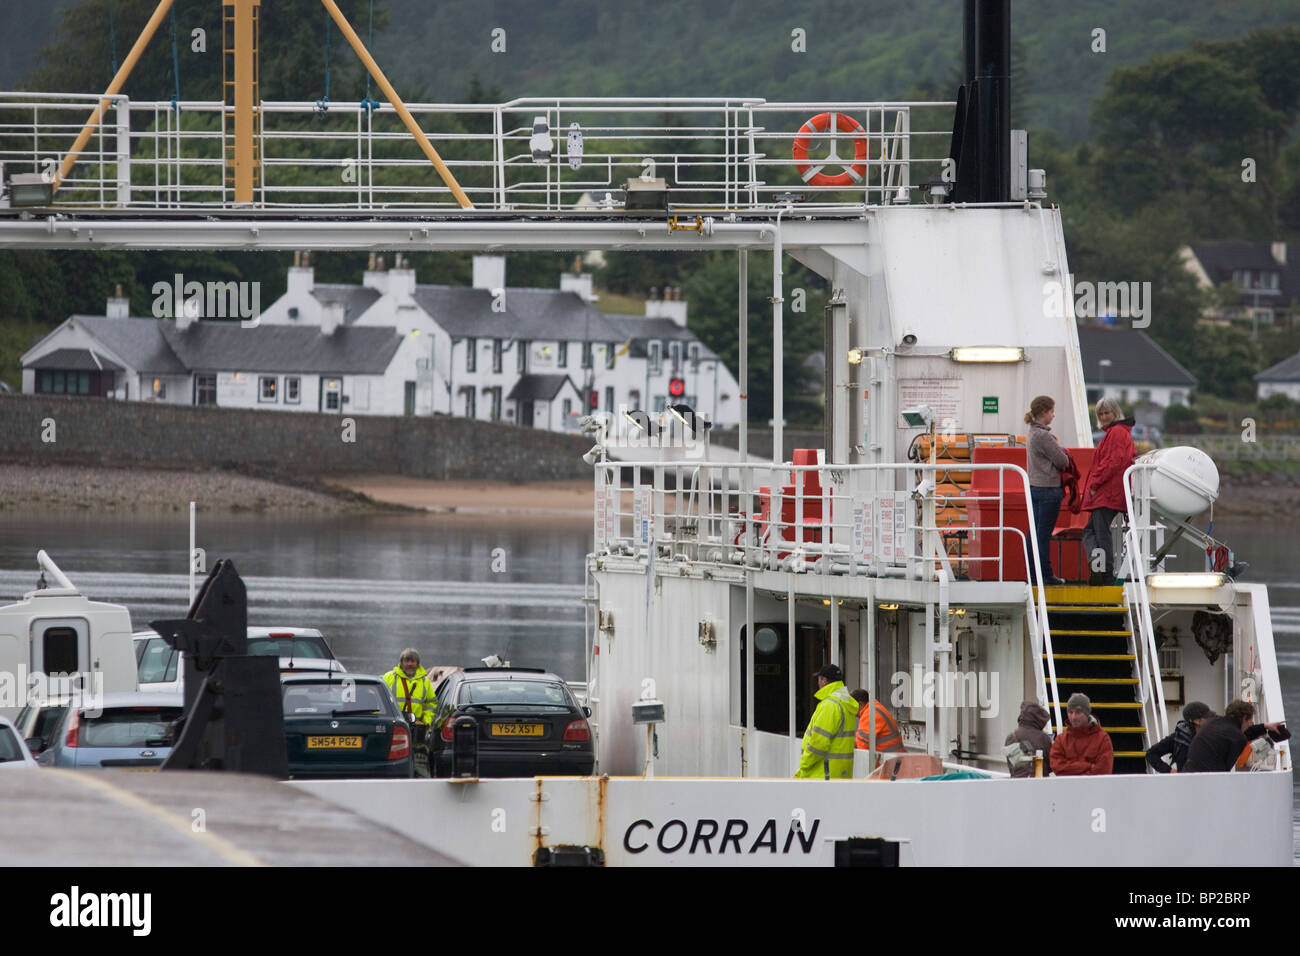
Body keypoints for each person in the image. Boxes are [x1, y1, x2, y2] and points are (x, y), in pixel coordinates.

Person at [1081, 397, 1137, 586]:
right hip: (1111, 491)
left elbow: (1111, 462)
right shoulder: (1118, 432)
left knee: (1097, 532)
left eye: (1107, 412)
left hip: (1107, 492)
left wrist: (1094, 485)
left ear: (1115, 413)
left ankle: (1103, 571)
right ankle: (1100, 567)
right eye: (1101, 414)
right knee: (1093, 531)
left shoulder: (1116, 433)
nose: (1104, 417)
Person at [1025, 395, 1070, 585]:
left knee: (1033, 534)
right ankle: (1045, 575)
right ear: (1044, 412)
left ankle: (1033, 574)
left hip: (1035, 488)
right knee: (1042, 535)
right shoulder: (1044, 436)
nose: (1053, 415)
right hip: (1048, 490)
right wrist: (1063, 452)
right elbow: (1063, 461)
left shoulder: (1032, 433)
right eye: (1051, 411)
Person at [1183, 698, 1289, 773]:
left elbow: (1243, 732)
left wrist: (1265, 726)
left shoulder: (1214, 722)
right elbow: (1227, 767)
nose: (1251, 723)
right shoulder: (1237, 738)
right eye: (1250, 719)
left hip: (1189, 772)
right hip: (1208, 778)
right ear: (1243, 718)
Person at [795, 664, 860, 780]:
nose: (818, 683)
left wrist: (804, 765)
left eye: (819, 679)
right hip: (839, 772)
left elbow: (818, 743)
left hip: (821, 774)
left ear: (824, 681)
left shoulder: (829, 706)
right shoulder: (845, 703)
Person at [1049, 693, 1113, 775]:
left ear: (1087, 714)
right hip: (1068, 786)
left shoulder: (1103, 738)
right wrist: (1087, 766)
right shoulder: (1061, 740)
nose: (1073, 717)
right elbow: (1056, 766)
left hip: (1093, 787)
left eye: (1078, 712)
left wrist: (1073, 772)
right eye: (1070, 712)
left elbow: (1103, 770)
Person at [1145, 701, 1211, 773]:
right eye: (1207, 717)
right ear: (1197, 721)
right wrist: (1169, 770)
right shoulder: (1178, 738)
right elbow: (1151, 753)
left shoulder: (1214, 737)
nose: (1211, 720)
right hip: (1183, 782)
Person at [382, 648, 436, 726]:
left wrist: (426, 721)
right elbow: (379, 700)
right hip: (393, 723)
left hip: (416, 726)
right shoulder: (389, 677)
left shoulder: (425, 681)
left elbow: (431, 704)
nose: (409, 664)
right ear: (401, 662)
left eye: (412, 661)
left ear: (417, 663)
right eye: (407, 661)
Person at [1004, 700, 1053, 778]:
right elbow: (1051, 765)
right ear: (1039, 720)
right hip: (1040, 784)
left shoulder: (1011, 737)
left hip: (1017, 783)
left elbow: (1011, 766)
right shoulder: (1044, 738)